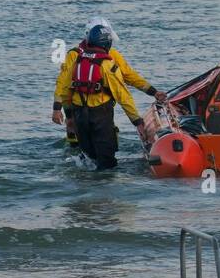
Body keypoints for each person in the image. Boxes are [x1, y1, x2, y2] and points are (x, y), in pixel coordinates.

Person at [52, 24, 154, 170]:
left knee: (88, 159)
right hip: (100, 117)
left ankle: (86, 187)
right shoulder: (106, 64)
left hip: (79, 116)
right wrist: (137, 121)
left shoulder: (76, 60)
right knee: (107, 163)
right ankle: (104, 190)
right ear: (107, 43)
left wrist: (69, 116)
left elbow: (64, 89)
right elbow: (122, 96)